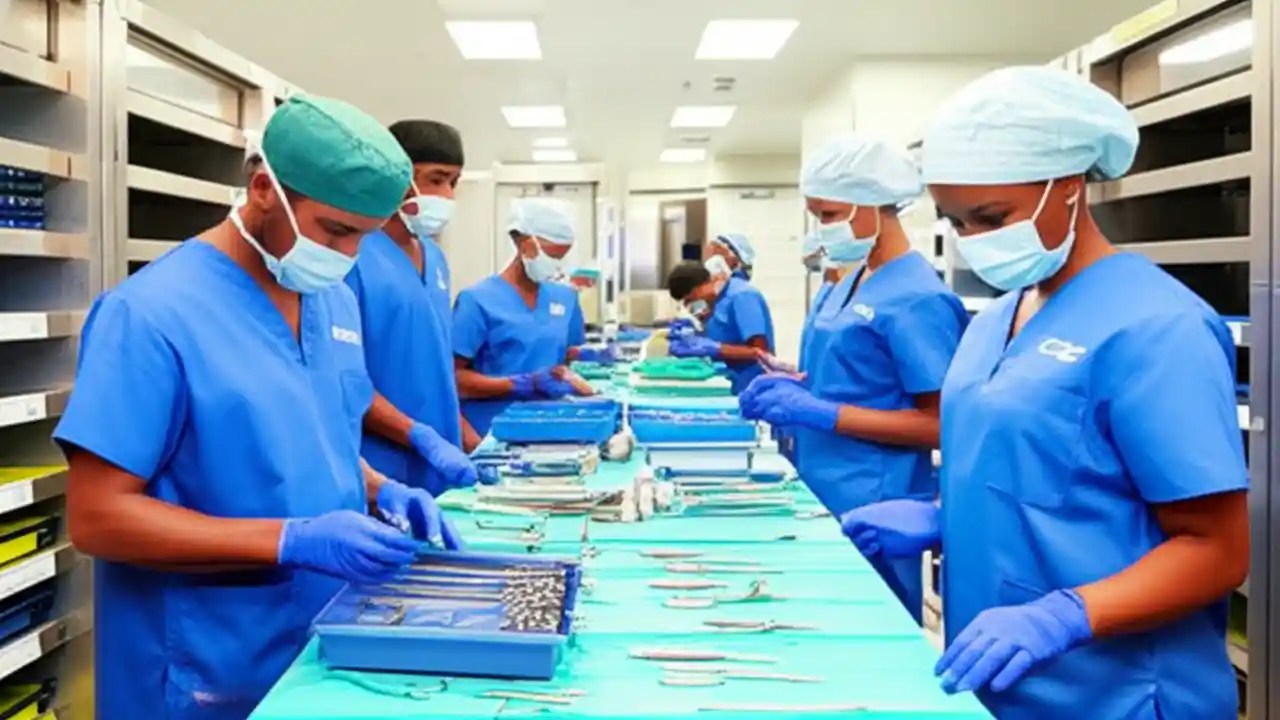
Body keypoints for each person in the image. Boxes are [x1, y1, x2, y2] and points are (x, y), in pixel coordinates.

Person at [841, 66, 1249, 718]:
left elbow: (1218, 550)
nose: (975, 240)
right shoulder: (996, 321)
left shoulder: (1157, 327)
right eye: (955, 221)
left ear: (1068, 186)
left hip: (1115, 690)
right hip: (1003, 681)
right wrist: (946, 519)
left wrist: (1064, 615)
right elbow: (1047, 480)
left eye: (991, 216)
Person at [53, 96, 465, 719]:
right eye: (335, 231)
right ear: (264, 187)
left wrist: (380, 489)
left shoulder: (329, 301)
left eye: (364, 236)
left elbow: (310, 433)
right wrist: (289, 541)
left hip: (316, 642)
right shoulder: (150, 316)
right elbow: (98, 518)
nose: (348, 256)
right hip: (205, 663)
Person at [739, 133, 968, 622]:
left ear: (875, 205)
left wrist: (823, 413)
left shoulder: (917, 297)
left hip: (876, 506)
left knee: (869, 632)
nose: (821, 229)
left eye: (827, 214)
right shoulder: (853, 278)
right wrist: (797, 387)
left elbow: (944, 424)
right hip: (821, 486)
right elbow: (855, 377)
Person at [346, 120, 483, 483]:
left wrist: (467, 437)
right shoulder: (351, 257)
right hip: (382, 466)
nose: (447, 196)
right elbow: (343, 378)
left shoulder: (435, 259)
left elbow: (434, 365)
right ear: (396, 176)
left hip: (439, 463)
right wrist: (417, 435)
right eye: (436, 180)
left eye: (454, 183)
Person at [453, 198, 595, 436]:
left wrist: (590, 357)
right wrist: (519, 384)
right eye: (551, 256)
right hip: (493, 428)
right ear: (524, 245)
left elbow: (564, 358)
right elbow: (452, 380)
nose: (556, 266)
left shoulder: (565, 297)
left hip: (550, 424)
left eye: (562, 257)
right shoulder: (476, 300)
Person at [666, 260, 776, 394]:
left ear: (704, 284)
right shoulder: (717, 300)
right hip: (730, 379)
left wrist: (715, 349)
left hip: (752, 384)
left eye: (692, 298)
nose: (692, 303)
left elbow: (761, 352)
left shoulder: (742, 296)